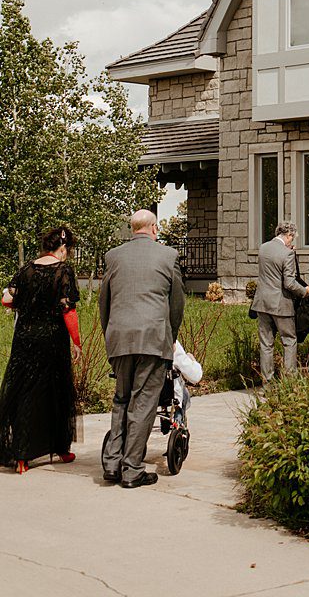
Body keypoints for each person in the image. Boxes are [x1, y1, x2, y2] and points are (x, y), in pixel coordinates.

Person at [98, 209, 185, 488]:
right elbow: (176, 305)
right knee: (144, 403)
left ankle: (112, 463)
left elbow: (104, 302)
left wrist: (109, 333)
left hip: (119, 337)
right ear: (154, 228)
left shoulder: (113, 256)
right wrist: (170, 336)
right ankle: (132, 469)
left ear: (132, 228)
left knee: (121, 399)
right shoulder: (168, 256)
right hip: (152, 338)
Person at [0, 226, 81, 473]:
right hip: (52, 340)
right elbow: (68, 310)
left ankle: (22, 456)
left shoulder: (27, 269)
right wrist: (76, 342)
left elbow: (7, 299)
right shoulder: (63, 270)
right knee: (57, 391)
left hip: (24, 338)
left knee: (24, 391)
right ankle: (61, 448)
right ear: (63, 249)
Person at [251, 221, 309, 381]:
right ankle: (290, 380)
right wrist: (304, 291)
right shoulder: (287, 254)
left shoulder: (263, 248)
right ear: (289, 235)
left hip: (262, 302)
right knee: (289, 340)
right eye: (292, 238)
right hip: (281, 304)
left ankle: (267, 382)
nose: (292, 241)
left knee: (266, 344)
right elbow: (289, 283)